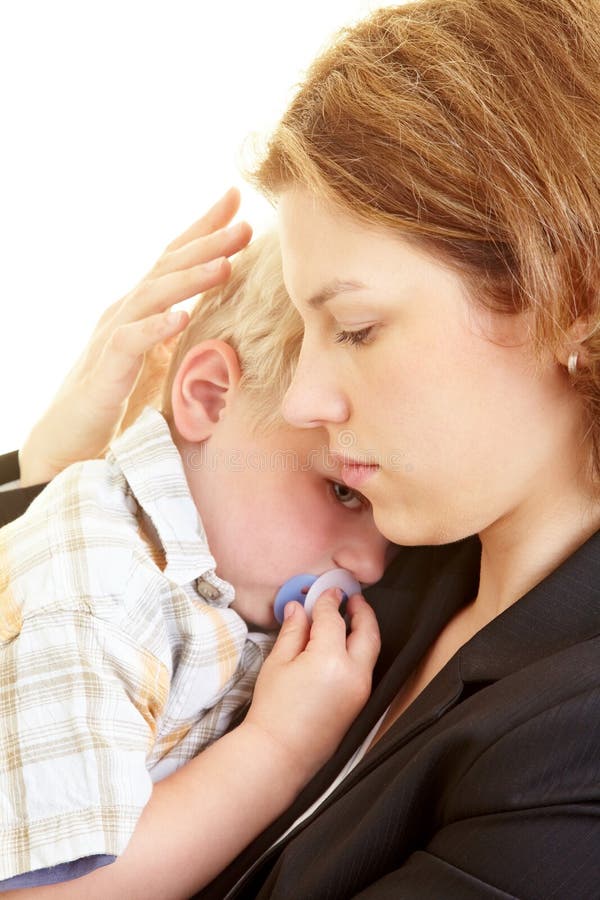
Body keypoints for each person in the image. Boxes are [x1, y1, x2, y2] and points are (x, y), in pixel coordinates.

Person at [2, 1, 599, 897]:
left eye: (356, 328)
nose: (310, 401)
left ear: (570, 299)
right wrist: (57, 471)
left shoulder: (573, 737)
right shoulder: (377, 554)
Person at [0, 225, 389, 889]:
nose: (374, 565)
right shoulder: (103, 588)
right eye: (343, 493)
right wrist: (279, 748)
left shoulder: (217, 575)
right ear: (209, 396)